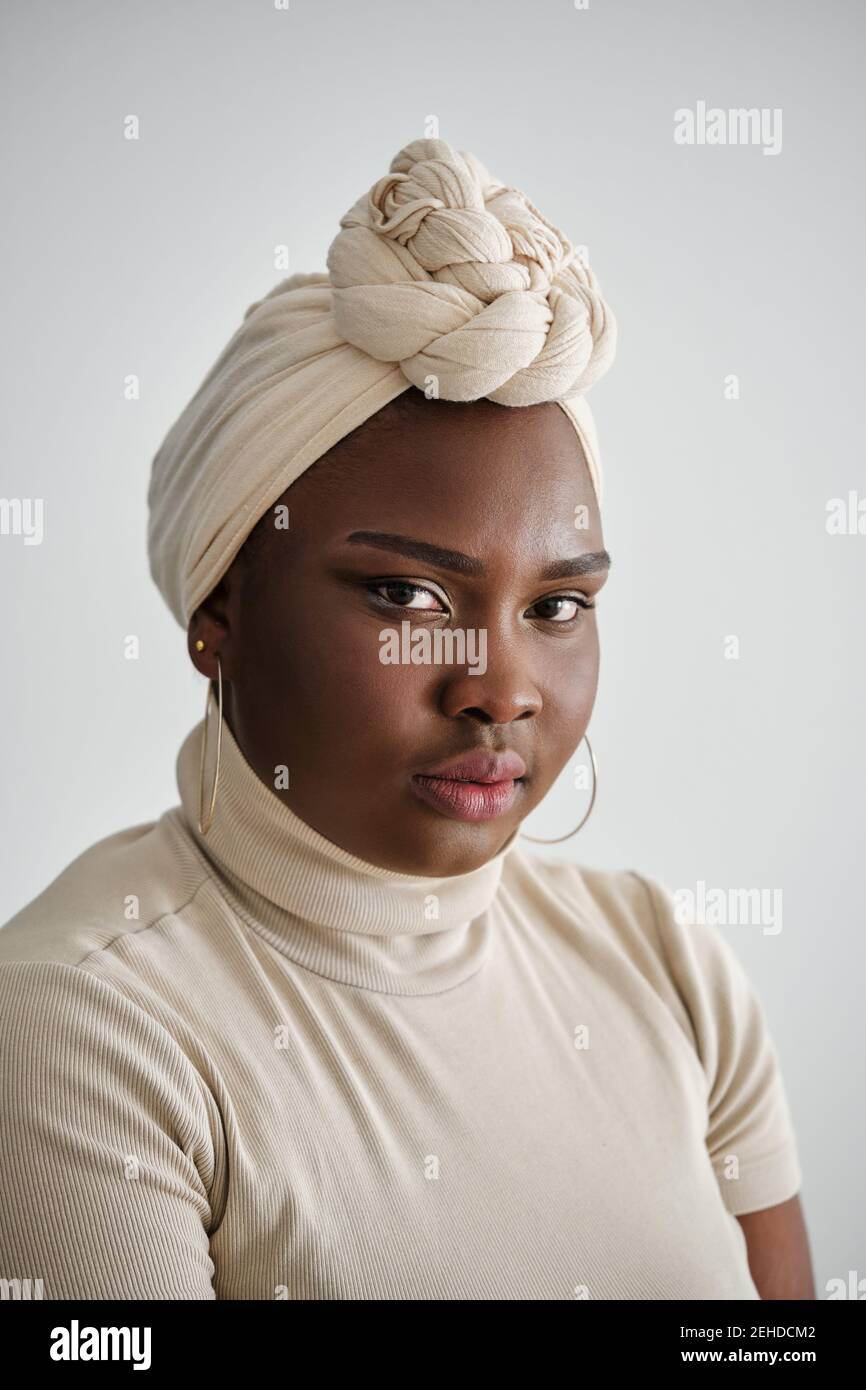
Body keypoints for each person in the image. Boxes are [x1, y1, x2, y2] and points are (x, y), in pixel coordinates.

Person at [0, 137, 813, 1300]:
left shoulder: (668, 970)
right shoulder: (73, 1028)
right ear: (219, 609)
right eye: (404, 595)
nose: (498, 684)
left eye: (557, 604)